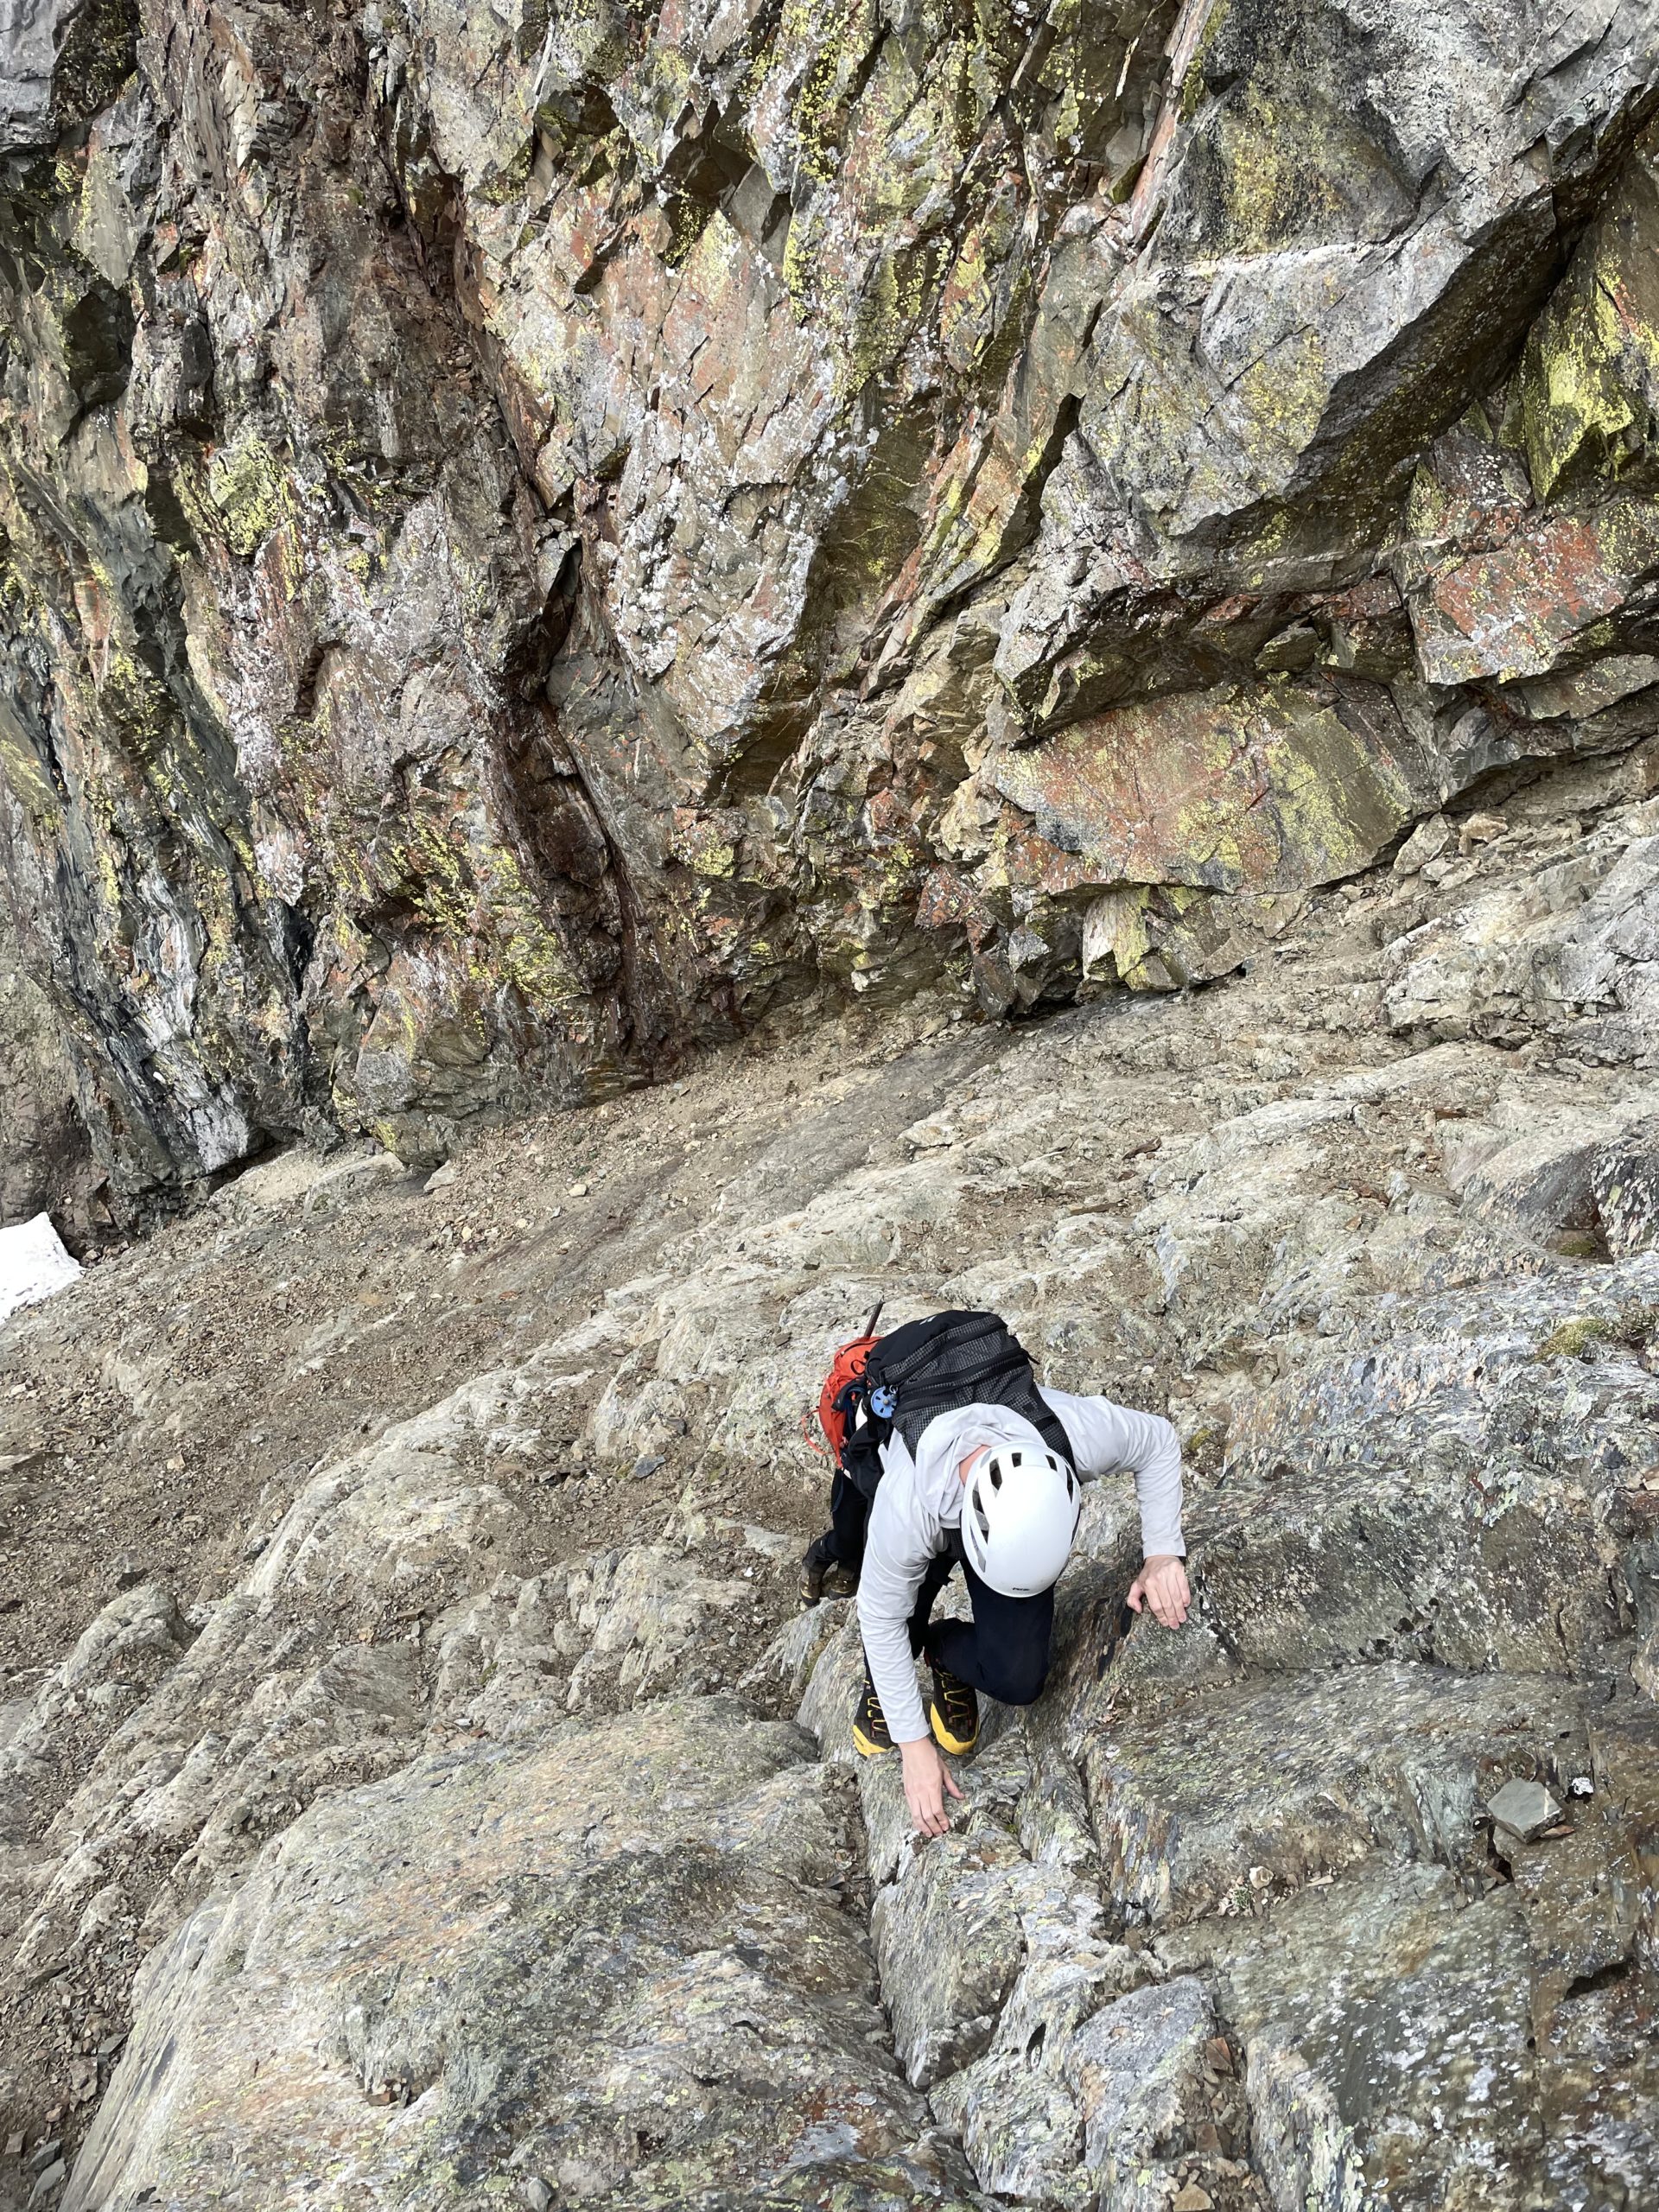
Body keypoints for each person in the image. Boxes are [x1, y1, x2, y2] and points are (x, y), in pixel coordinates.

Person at [802, 1332, 1189, 1841]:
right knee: (899, 1625)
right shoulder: (906, 1506)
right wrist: (915, 1744)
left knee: (1019, 1678)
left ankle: (944, 1653)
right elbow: (879, 1614)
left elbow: (1157, 1439)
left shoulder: (1069, 1434)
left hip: (999, 1506)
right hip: (922, 1493)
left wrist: (1161, 1553)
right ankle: (883, 1674)